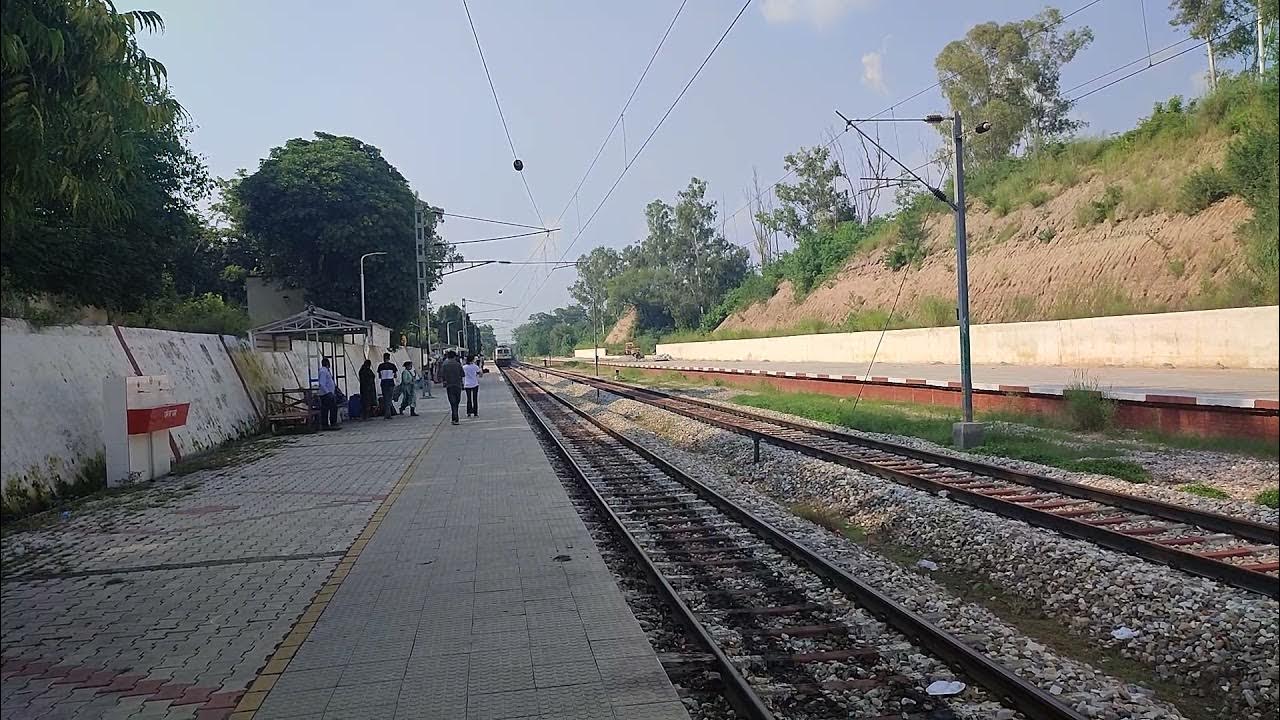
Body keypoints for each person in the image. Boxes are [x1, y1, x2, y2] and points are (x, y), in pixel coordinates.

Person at [440, 350, 464, 425]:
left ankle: (455, 418)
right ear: (454, 356)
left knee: (452, 402)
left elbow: (441, 375)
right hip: (458, 385)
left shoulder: (444, 365)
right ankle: (455, 418)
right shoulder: (458, 364)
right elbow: (463, 374)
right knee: (457, 401)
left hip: (449, 385)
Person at [317, 357, 339, 430]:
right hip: (326, 394)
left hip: (328, 393)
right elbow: (322, 384)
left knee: (330, 408)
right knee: (331, 408)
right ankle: (330, 423)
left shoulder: (326, 371)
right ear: (327, 363)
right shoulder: (323, 371)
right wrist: (328, 392)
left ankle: (328, 423)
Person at [377, 352, 398, 420]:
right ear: (389, 358)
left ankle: (387, 414)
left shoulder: (380, 366)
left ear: (383, 358)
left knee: (385, 399)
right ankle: (388, 414)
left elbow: (379, 376)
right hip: (391, 383)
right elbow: (395, 376)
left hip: (383, 383)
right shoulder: (392, 366)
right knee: (389, 399)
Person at [463, 354, 481, 418]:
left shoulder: (464, 367)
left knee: (468, 399)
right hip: (475, 384)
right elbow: (480, 374)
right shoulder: (475, 367)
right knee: (475, 399)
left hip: (467, 384)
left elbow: (463, 375)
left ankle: (468, 412)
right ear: (473, 360)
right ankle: (475, 413)